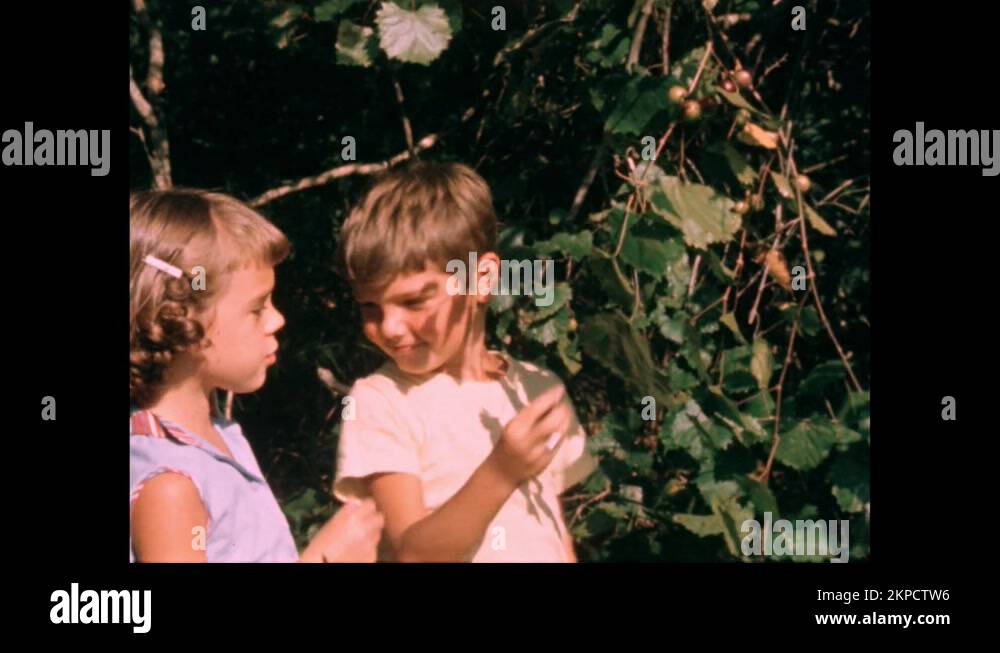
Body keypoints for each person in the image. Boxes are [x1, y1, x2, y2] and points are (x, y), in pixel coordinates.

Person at [334, 162, 597, 562]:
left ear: (482, 279)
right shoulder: (379, 401)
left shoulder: (537, 389)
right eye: (370, 306)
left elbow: (553, 532)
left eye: (413, 302)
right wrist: (502, 471)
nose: (389, 327)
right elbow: (413, 554)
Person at [130, 188, 382, 562]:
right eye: (257, 308)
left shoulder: (216, 435)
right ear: (179, 318)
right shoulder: (169, 488)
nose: (277, 320)